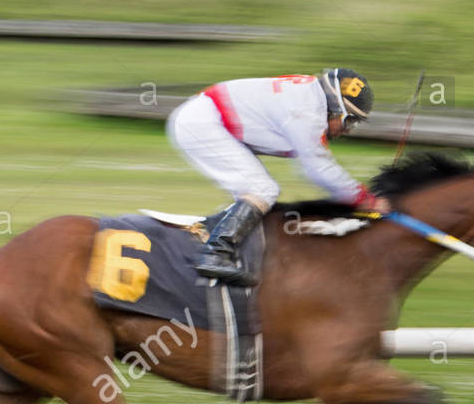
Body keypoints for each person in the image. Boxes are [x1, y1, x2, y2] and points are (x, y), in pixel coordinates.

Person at [167, 68, 390, 285]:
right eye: (349, 120)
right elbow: (318, 169)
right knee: (262, 189)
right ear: (335, 109)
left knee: (255, 190)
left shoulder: (312, 98)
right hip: (202, 124)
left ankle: (216, 238)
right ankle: (214, 255)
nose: (348, 130)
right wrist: (365, 199)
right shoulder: (307, 114)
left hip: (206, 117)